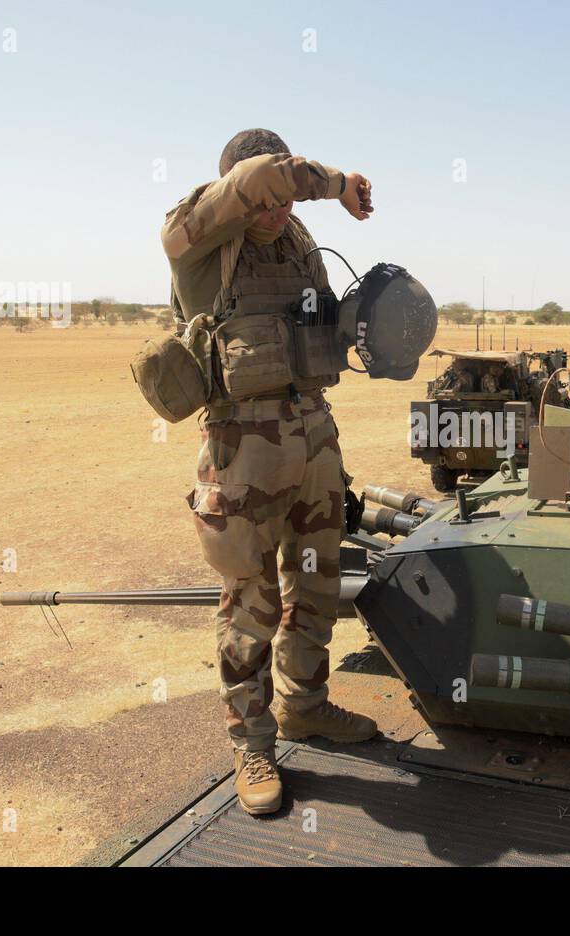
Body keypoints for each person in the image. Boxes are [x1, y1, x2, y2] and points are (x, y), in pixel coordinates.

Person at [161, 128, 377, 815]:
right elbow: (262, 178)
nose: (276, 210)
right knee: (250, 606)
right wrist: (338, 182)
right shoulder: (194, 240)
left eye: (286, 200)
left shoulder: (299, 243)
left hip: (313, 435)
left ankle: (305, 706)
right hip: (242, 451)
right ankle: (252, 744)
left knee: (314, 587)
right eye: (265, 199)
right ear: (234, 195)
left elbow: (324, 326)